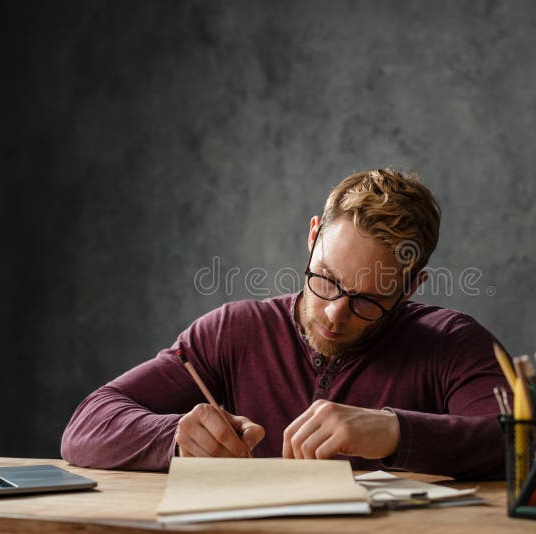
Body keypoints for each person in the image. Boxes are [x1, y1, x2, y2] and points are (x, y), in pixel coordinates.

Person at [61, 168, 508, 479]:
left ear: (411, 287)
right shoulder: (233, 332)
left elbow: (522, 440)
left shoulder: (452, 343)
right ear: (313, 237)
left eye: (369, 300)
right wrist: (177, 437)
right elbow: (87, 426)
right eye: (326, 281)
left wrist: (392, 432)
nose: (335, 313)